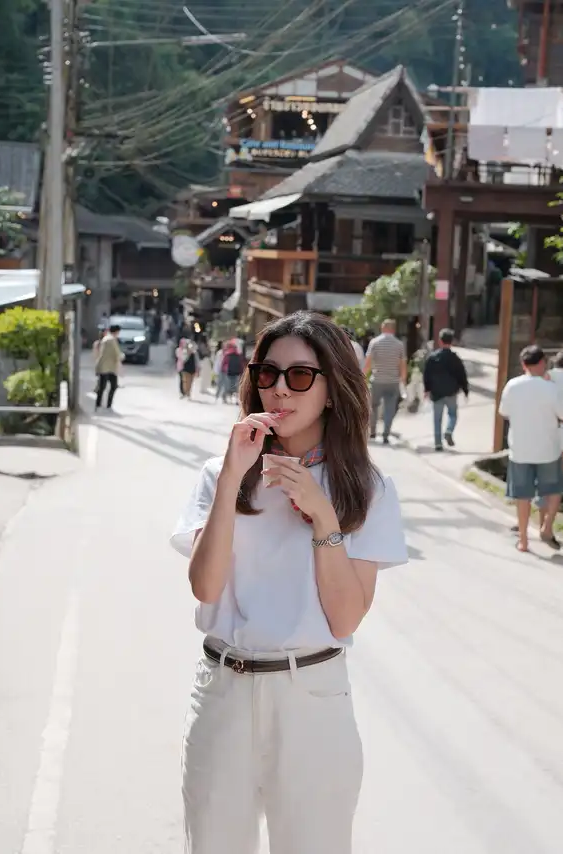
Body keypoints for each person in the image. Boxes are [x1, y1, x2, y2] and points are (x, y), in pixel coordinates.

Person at [170, 311, 407, 854]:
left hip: (312, 697)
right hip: (224, 688)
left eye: (300, 375)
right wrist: (232, 476)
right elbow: (205, 587)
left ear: (332, 388)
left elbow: (345, 618)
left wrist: (323, 516)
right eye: (267, 373)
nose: (279, 388)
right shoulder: (222, 474)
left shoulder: (367, 489)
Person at [499, 344, 563, 553]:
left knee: (522, 496)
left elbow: (503, 412)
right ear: (543, 363)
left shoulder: (512, 386)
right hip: (548, 449)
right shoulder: (551, 389)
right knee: (555, 489)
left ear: (523, 365)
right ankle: (547, 527)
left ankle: (523, 540)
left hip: (520, 449)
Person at [423, 328, 469, 451]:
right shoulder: (455, 358)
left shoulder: (432, 358)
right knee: (453, 414)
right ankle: (449, 430)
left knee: (437, 419)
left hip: (436, 392)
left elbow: (427, 374)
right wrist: (465, 390)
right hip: (451, 392)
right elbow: (462, 375)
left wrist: (427, 389)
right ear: (451, 342)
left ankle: (438, 443)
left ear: (440, 341)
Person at [364, 319, 407, 444]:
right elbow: (402, 364)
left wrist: (362, 376)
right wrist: (403, 380)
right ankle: (386, 434)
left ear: (383, 328)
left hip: (377, 380)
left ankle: (373, 431)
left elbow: (368, 362)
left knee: (373, 406)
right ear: (393, 329)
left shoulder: (375, 342)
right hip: (393, 381)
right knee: (390, 408)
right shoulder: (399, 344)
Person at [94, 324, 123, 412]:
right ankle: (107, 405)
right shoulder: (111, 340)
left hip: (105, 366)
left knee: (103, 386)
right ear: (116, 331)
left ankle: (99, 404)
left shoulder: (106, 338)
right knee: (110, 386)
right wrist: (122, 356)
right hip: (108, 367)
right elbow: (117, 353)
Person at [220, 338, 245, 403]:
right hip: (236, 373)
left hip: (228, 372)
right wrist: (242, 372)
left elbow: (223, 363)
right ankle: (236, 400)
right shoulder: (239, 355)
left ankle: (225, 398)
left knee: (227, 386)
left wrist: (222, 370)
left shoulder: (227, 354)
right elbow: (241, 364)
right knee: (236, 387)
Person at [176, 332, 199, 399]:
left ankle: (188, 393)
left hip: (192, 368)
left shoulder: (194, 353)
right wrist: (188, 353)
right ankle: (184, 392)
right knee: (184, 381)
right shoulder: (183, 351)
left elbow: (197, 360)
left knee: (190, 382)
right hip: (184, 368)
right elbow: (183, 359)